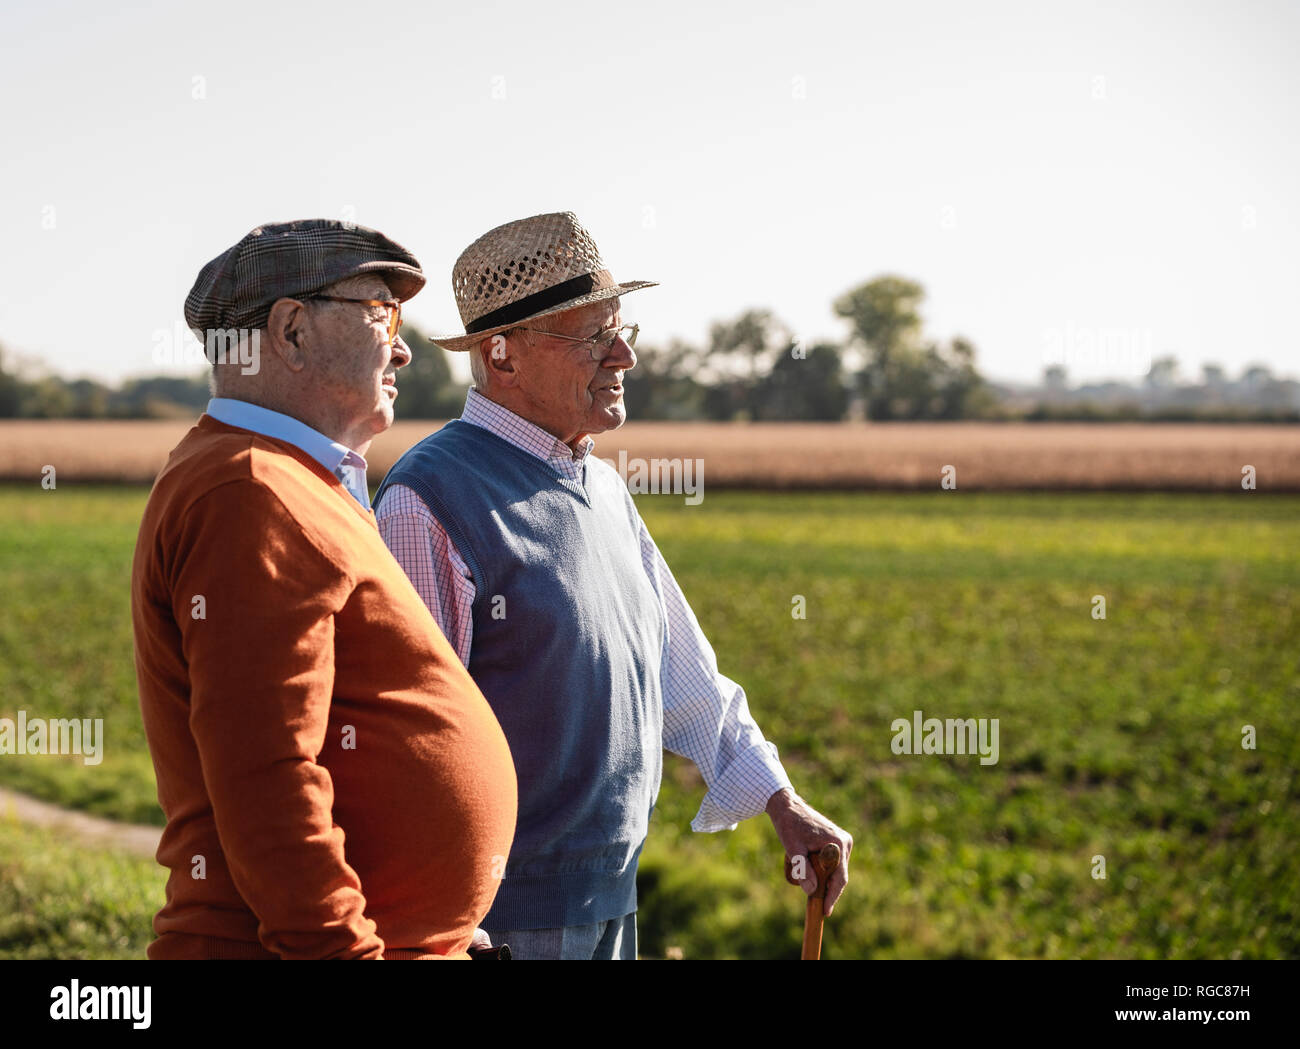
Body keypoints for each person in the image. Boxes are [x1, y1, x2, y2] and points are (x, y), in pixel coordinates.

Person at [375, 211, 852, 960]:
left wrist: (781, 801)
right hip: (495, 928)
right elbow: (410, 747)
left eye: (622, 328)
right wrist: (443, 918)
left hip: (614, 901)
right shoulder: (429, 497)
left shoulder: (602, 487)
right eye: (593, 337)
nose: (624, 354)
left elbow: (686, 678)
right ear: (502, 356)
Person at [131, 219, 516, 960]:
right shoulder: (249, 487)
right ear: (292, 330)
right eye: (382, 313)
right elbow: (267, 774)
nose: (402, 346)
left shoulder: (291, 478)